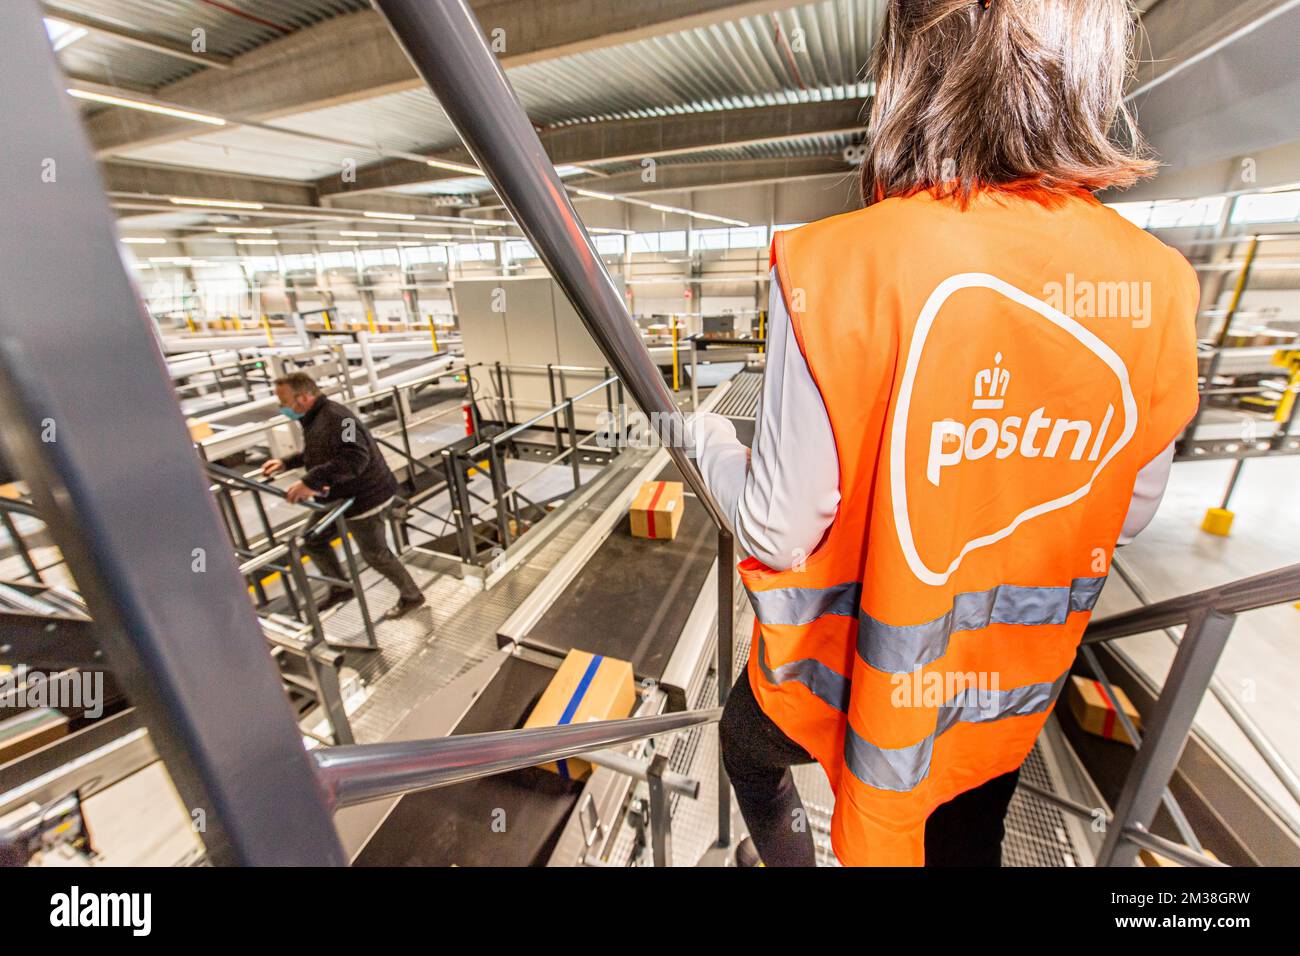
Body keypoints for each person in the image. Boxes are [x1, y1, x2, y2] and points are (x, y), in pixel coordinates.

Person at [689, 0, 1199, 866]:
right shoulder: (1159, 285)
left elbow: (779, 526)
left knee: (747, 747)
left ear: (909, 67)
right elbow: (1132, 507)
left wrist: (702, 440)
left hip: (853, 685)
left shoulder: (839, 263)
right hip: (1003, 689)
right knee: (969, 826)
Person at [262, 372, 426, 620]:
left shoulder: (340, 418)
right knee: (312, 540)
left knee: (375, 554)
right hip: (336, 497)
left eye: (284, 403)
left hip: (364, 498)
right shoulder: (314, 418)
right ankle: (340, 588)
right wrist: (286, 463)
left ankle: (412, 596)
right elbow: (318, 453)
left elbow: (355, 458)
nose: (282, 408)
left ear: (304, 398)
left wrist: (311, 481)